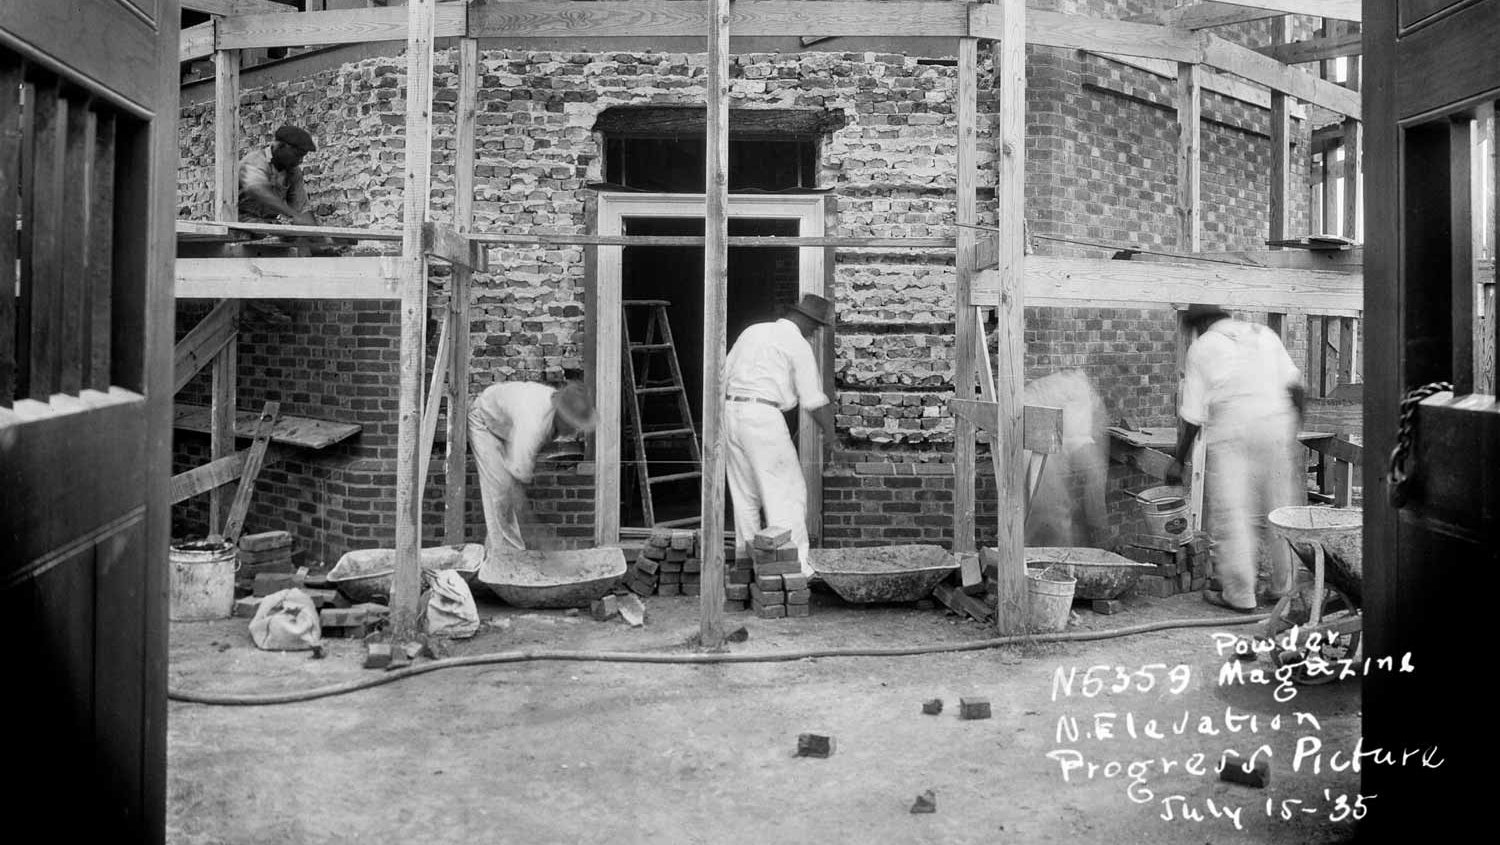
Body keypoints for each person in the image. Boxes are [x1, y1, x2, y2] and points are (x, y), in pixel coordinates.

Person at [1167, 304, 1305, 613]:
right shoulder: (1264, 334)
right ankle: (1284, 587)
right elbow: (1296, 389)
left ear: (1200, 325)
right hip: (1276, 423)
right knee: (1280, 509)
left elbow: (1192, 415)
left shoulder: (1202, 346)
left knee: (1234, 512)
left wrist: (1179, 459)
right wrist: (1290, 435)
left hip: (1233, 428)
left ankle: (1241, 594)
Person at [723, 293, 836, 577]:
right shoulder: (796, 343)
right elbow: (813, 400)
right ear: (806, 322)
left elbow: (721, 375)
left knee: (745, 495)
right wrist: (832, 436)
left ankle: (746, 564)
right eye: (816, 327)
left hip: (730, 412)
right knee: (787, 493)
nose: (814, 334)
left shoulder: (753, 331)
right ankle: (795, 570)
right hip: (763, 417)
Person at [468, 381, 598, 553]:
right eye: (572, 425)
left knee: (504, 497)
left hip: (507, 425)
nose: (574, 432)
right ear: (561, 415)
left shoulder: (551, 409)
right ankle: (510, 558)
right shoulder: (533, 421)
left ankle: (495, 556)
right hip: (485, 421)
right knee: (500, 492)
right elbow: (517, 474)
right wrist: (521, 501)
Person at [1023, 370, 1111, 550]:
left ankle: (1087, 540)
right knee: (1054, 509)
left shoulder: (1083, 389)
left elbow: (1079, 437)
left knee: (1095, 471)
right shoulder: (1063, 387)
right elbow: (1070, 436)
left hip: (1048, 439)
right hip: (1032, 441)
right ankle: (1056, 559)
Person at [238, 124, 317, 224]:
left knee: (297, 237)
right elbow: (257, 189)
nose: (300, 160)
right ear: (279, 146)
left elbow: (301, 208)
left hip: (266, 223)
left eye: (302, 156)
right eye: (297, 155)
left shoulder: (293, 171)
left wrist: (320, 234)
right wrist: (292, 214)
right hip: (238, 220)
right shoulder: (256, 160)